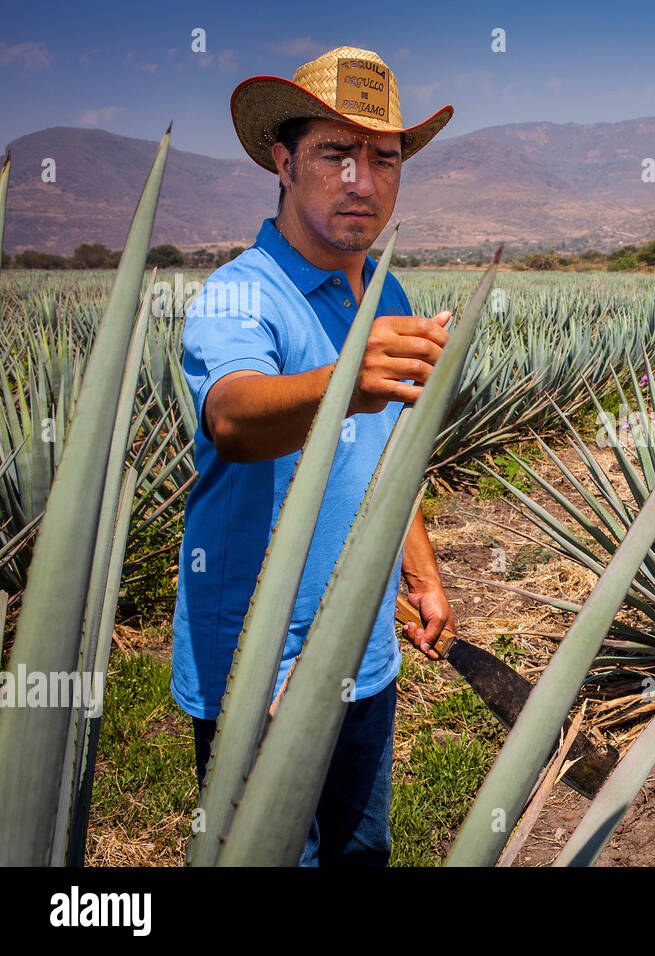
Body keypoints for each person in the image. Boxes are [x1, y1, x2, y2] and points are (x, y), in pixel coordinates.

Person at [172, 46, 457, 865]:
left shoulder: (387, 294)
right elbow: (232, 416)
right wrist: (343, 381)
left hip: (364, 653)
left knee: (363, 851)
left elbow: (386, 454)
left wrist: (422, 571)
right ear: (284, 160)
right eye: (336, 153)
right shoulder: (240, 292)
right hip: (257, 665)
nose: (362, 180)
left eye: (384, 157)